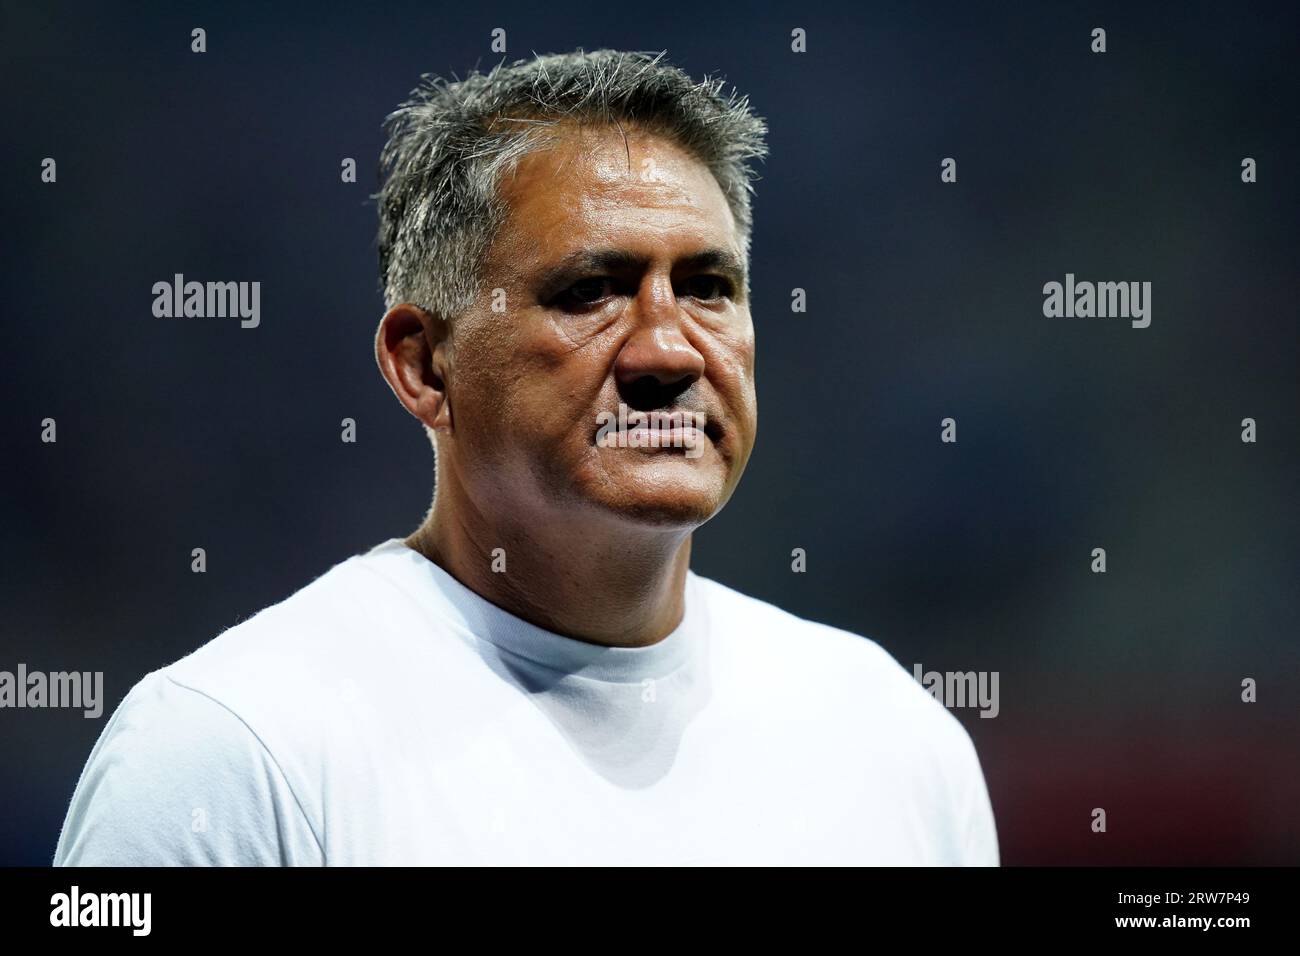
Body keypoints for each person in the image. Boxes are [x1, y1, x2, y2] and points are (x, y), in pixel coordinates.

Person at [54, 49, 998, 866]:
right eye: (592, 290)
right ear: (424, 365)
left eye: (708, 286)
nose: (669, 350)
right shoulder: (232, 748)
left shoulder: (890, 738)